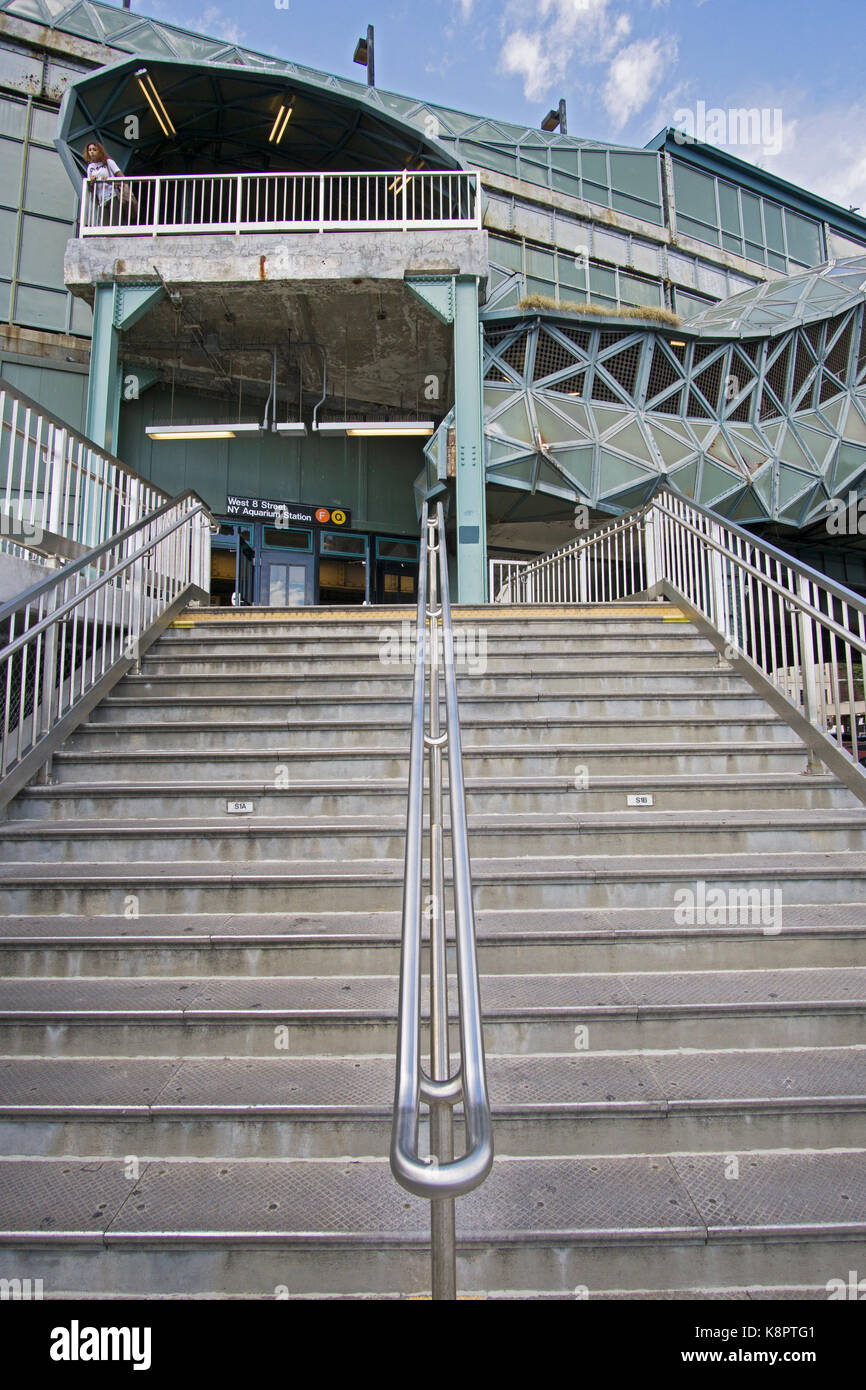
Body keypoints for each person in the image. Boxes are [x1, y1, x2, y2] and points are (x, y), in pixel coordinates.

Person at [84, 142, 134, 227]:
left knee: (115, 224)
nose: (92, 152)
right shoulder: (90, 167)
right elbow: (90, 188)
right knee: (104, 226)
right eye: (90, 150)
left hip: (112, 196)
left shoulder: (108, 162)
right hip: (101, 200)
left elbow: (124, 180)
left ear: (99, 151)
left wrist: (109, 181)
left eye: (94, 149)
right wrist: (91, 181)